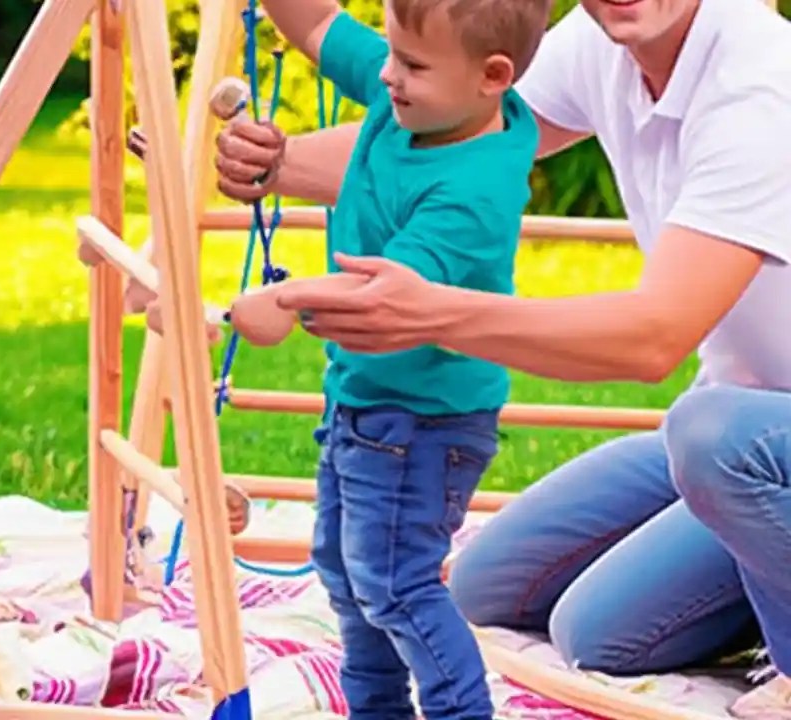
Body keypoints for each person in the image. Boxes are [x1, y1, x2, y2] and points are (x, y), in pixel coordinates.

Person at [212, 0, 791, 716]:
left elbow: (654, 337)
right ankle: (761, 560)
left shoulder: (761, 86)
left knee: (709, 436)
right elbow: (451, 122)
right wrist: (279, 161)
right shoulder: (604, 38)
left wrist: (434, 315)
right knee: (502, 592)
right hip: (750, 435)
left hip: (743, 436)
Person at [208, 0, 554, 718]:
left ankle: (462, 712)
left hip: (425, 423)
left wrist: (280, 302)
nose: (387, 76)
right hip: (367, 402)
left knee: (395, 583)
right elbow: (314, 25)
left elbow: (380, 293)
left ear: (494, 75)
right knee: (347, 572)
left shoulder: (473, 189)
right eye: (391, 55)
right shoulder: (428, 88)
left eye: (410, 67)